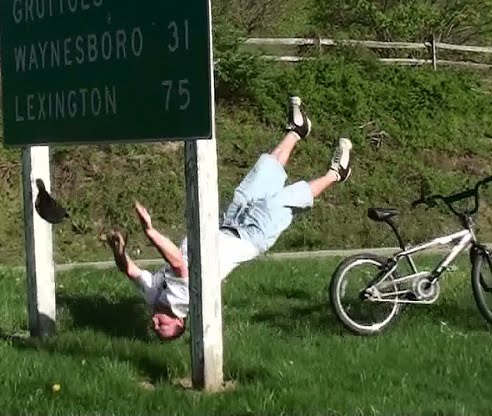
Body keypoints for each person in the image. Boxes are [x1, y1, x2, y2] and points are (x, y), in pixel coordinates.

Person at [104, 95, 353, 341]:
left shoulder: (154, 296)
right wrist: (150, 231)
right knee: (287, 198)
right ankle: (336, 174)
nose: (155, 324)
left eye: (155, 327)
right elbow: (179, 264)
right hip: (253, 236)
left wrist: (119, 250)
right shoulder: (184, 301)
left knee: (265, 171)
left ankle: (297, 130)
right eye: (163, 328)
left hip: (229, 223)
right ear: (180, 323)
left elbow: (131, 271)